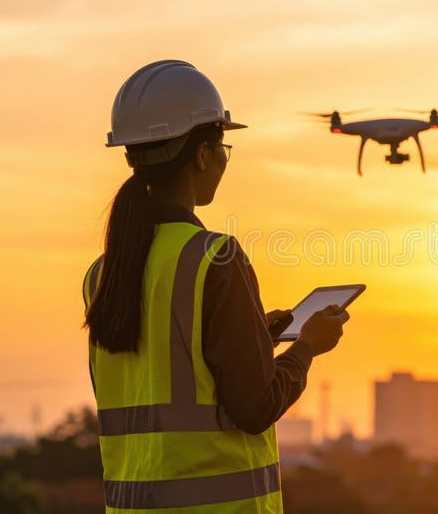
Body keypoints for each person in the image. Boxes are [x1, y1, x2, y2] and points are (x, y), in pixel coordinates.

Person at [82, 60, 348, 513]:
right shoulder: (214, 258)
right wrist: (306, 348)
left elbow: (167, 376)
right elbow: (255, 408)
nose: (225, 157)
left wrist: (254, 340)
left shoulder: (102, 273)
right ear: (203, 154)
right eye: (223, 144)